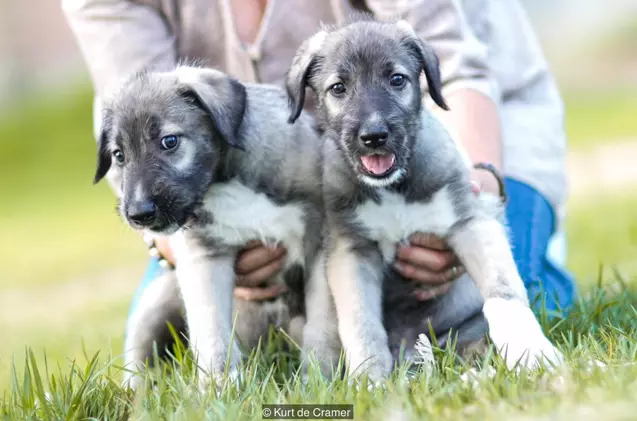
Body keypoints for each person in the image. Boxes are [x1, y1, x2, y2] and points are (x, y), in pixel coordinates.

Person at [62, 0, 576, 352]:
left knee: (480, 311)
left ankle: (533, 256)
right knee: (170, 336)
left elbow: (455, 65)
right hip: (238, 195)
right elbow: (134, 117)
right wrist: (175, 245)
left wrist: (474, 194)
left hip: (474, 138)